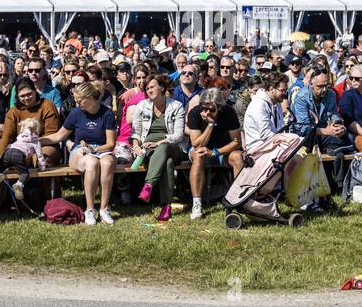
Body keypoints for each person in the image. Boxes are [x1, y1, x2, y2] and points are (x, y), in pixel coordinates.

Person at [40, 80, 118, 226]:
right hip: (80, 151)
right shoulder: (76, 113)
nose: (77, 104)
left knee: (107, 163)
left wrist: (94, 149)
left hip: (101, 149)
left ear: (89, 98)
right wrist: (38, 141)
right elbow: (59, 136)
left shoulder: (106, 113)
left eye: (79, 101)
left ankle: (104, 208)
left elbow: (111, 144)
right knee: (92, 162)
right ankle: (89, 209)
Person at [131, 74, 187, 221]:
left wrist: (159, 142)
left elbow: (178, 135)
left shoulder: (176, 106)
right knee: (167, 163)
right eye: (147, 88)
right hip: (147, 147)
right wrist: (136, 146)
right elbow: (136, 132)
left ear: (162, 87)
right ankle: (166, 207)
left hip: (173, 146)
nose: (149, 90)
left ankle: (148, 185)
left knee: (163, 149)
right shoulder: (142, 106)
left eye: (152, 86)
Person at [185, 87, 244, 219]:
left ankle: (239, 199)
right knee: (199, 155)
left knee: (238, 157)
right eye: (204, 108)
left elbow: (237, 142)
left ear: (220, 107)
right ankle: (197, 203)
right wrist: (210, 125)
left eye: (211, 109)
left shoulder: (229, 112)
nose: (206, 112)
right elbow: (196, 144)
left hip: (222, 150)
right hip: (199, 150)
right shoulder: (195, 112)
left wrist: (215, 152)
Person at [243, 72, 288, 153]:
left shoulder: (277, 103)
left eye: (286, 90)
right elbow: (265, 134)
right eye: (282, 90)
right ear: (271, 89)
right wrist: (286, 139)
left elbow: (280, 128)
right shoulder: (258, 104)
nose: (285, 93)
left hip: (273, 144)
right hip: (258, 148)